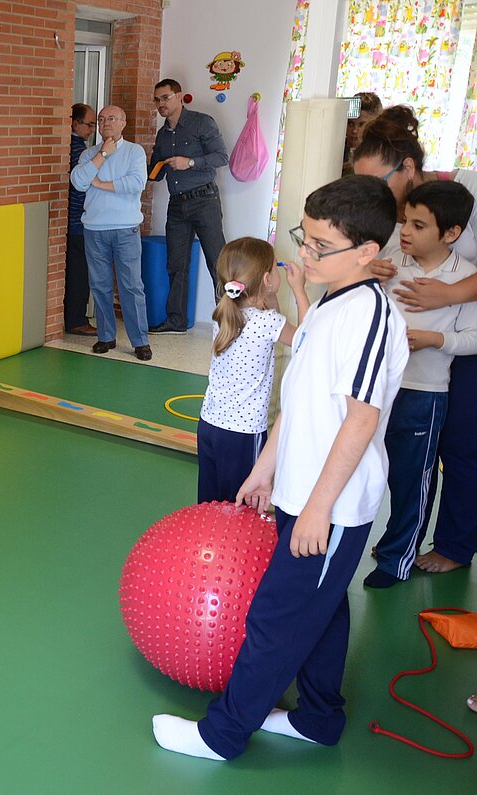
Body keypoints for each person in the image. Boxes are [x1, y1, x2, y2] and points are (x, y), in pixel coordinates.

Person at [153, 175, 407, 761]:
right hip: (298, 491)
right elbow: (298, 403)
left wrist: (319, 508)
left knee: (277, 615)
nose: (305, 254)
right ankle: (318, 718)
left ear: (367, 252)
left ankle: (222, 734)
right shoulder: (327, 305)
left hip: (331, 505)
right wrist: (266, 466)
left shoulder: (370, 316)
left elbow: (361, 420)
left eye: (321, 245)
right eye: (304, 238)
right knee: (324, 610)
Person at [352, 105, 477, 576]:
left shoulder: (464, 195)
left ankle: (453, 546)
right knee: (398, 461)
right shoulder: (398, 227)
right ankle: (397, 541)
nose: (373, 193)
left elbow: (463, 326)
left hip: (450, 351)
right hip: (404, 374)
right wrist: (370, 268)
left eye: (378, 182)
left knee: (459, 447)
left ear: (407, 168)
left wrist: (449, 296)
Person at [198, 237, 308, 503]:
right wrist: (299, 289)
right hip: (243, 433)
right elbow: (308, 339)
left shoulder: (224, 313)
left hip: (210, 424)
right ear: (267, 279)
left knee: (210, 503)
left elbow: (270, 312)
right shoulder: (268, 322)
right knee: (241, 504)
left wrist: (268, 293)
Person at [70, 105, 152, 361]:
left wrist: (99, 183)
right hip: (94, 229)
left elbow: (136, 183)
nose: (105, 123)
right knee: (100, 285)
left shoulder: (134, 152)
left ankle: (140, 341)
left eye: (112, 118)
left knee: (131, 286)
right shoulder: (90, 154)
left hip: (126, 229)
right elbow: (78, 181)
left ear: (123, 123)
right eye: (101, 119)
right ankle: (106, 336)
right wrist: (103, 154)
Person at [148, 78, 229, 334]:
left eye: (165, 98)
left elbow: (221, 156)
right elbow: (155, 172)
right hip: (177, 205)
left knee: (218, 262)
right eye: (157, 100)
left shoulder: (201, 122)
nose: (161, 104)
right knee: (176, 264)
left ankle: (228, 322)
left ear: (179, 96)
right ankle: (177, 320)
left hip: (204, 200)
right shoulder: (162, 135)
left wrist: (190, 162)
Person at [65, 103, 97, 336]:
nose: (92, 130)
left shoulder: (74, 148)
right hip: (78, 221)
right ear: (75, 123)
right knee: (80, 274)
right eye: (90, 124)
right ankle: (76, 320)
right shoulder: (78, 151)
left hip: (74, 222)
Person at [342, 92, 381, 175]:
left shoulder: (383, 156)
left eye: (361, 124)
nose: (354, 130)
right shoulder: (334, 150)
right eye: (350, 123)